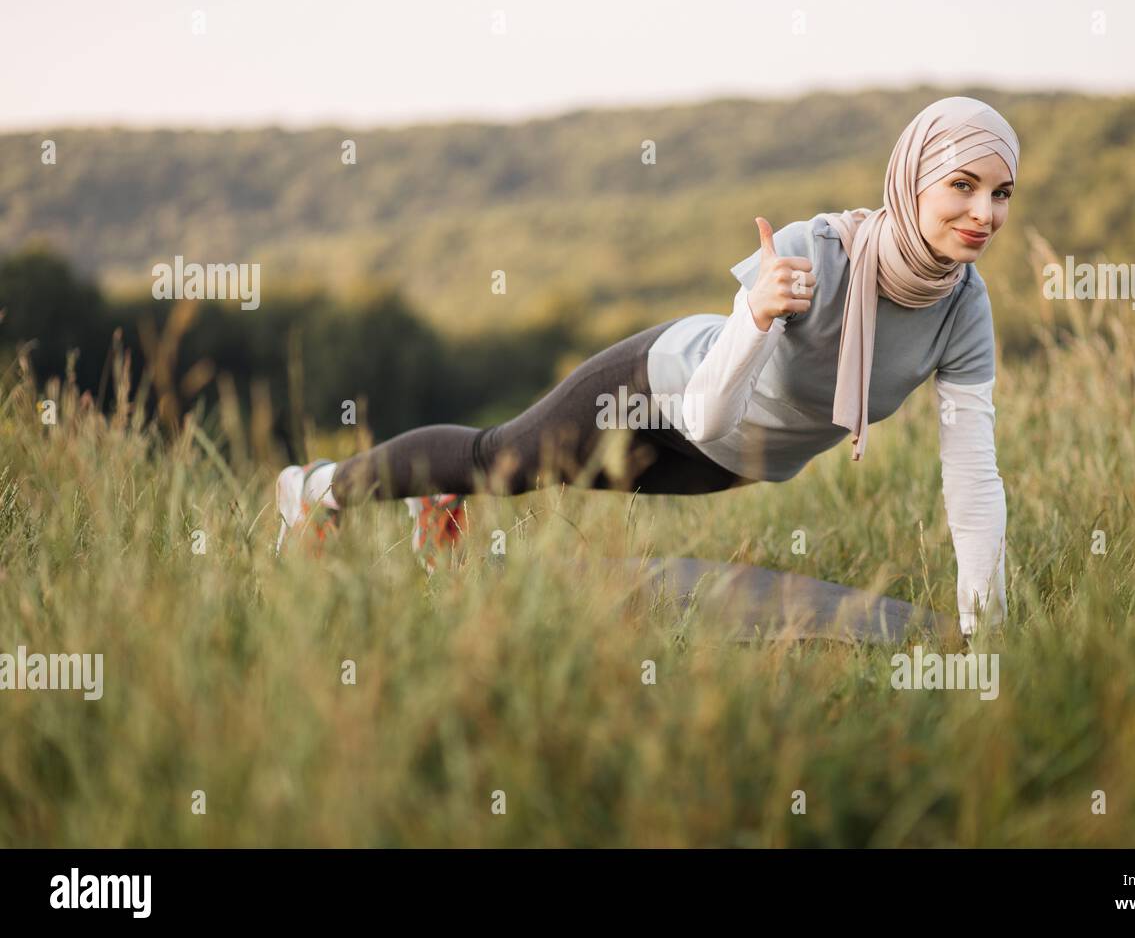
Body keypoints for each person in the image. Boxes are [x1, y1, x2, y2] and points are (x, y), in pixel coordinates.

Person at [276, 95, 1017, 635]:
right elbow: (702, 413)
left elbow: (973, 475)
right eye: (962, 185)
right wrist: (757, 314)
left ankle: (437, 497)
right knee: (504, 459)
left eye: (1001, 193)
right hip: (661, 388)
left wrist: (986, 629)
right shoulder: (817, 250)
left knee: (544, 477)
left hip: (735, 460)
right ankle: (316, 492)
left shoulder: (963, 310)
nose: (985, 213)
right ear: (912, 177)